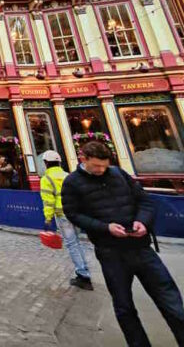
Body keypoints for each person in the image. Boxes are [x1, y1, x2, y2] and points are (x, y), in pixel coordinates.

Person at [62, 141, 184, 346]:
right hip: (111, 253)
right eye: (96, 166)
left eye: (105, 165)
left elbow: (144, 201)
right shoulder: (72, 183)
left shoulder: (119, 174)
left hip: (141, 248)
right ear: (83, 159)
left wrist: (142, 222)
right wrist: (105, 227)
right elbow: (73, 214)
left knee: (169, 298)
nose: (101, 170)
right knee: (124, 305)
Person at [39, 150, 92, 290]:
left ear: (45, 163)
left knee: (72, 244)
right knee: (77, 243)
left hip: (62, 215)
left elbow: (48, 201)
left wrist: (48, 218)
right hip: (75, 213)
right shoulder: (67, 175)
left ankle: (83, 275)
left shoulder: (46, 179)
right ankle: (84, 270)